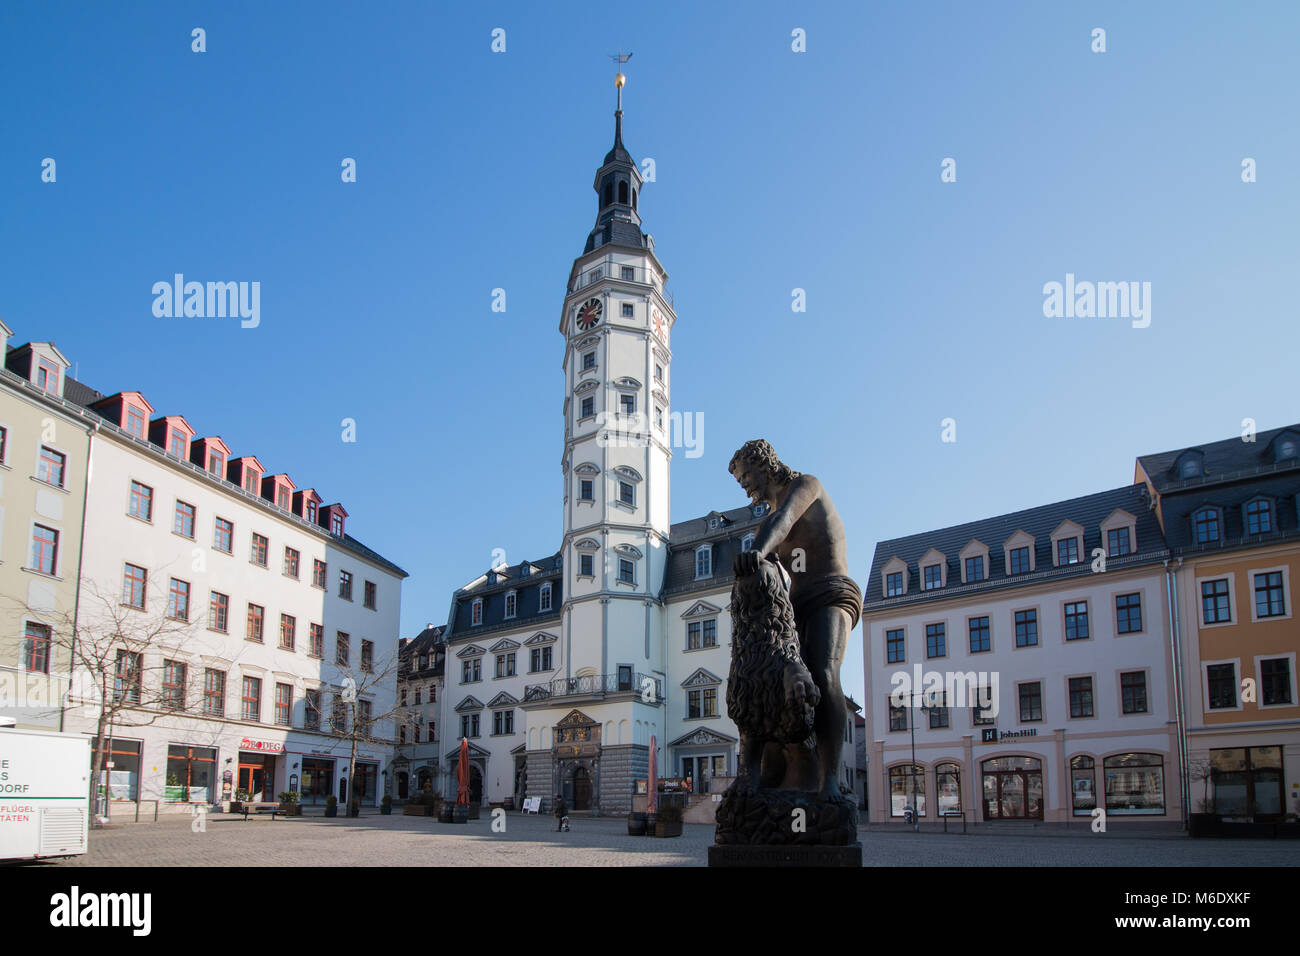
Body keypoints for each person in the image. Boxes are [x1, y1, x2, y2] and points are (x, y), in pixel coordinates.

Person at [729, 439, 861, 802]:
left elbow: (784, 521)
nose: (745, 486)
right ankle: (781, 772)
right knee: (774, 682)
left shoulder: (806, 486)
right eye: (740, 482)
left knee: (822, 672)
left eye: (746, 477)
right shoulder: (765, 523)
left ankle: (829, 780)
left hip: (832, 592)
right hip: (797, 605)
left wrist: (757, 551)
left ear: (765, 464)